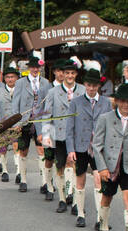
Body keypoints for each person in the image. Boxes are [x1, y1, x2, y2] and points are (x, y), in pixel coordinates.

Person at [91, 82, 128, 231]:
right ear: (117, 102)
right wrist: (102, 168)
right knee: (107, 197)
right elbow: (97, 146)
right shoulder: (105, 118)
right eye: (122, 101)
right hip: (110, 166)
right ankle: (103, 228)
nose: (126, 105)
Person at [66, 64, 111, 228]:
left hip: (99, 147)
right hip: (81, 145)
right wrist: (70, 149)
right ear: (85, 84)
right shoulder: (76, 102)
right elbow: (69, 127)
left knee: (99, 179)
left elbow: (110, 126)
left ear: (99, 86)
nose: (92, 88)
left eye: (95, 85)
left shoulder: (105, 103)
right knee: (80, 178)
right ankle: (80, 213)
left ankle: (100, 216)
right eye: (89, 85)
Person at [44, 57, 81, 209]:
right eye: (67, 73)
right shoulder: (53, 92)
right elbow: (47, 114)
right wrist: (47, 135)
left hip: (77, 135)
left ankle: (71, 192)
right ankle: (62, 198)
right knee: (59, 165)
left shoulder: (83, 90)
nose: (70, 76)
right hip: (59, 134)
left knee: (73, 164)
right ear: (63, 74)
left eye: (72, 73)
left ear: (76, 74)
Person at [13, 57, 51, 194]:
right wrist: (17, 121)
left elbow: (49, 103)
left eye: (37, 67)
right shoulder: (21, 83)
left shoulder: (46, 83)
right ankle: (23, 180)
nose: (35, 70)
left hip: (40, 121)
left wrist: (48, 121)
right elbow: (15, 103)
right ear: (29, 68)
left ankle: (45, 182)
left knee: (42, 151)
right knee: (23, 150)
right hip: (25, 120)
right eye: (33, 67)